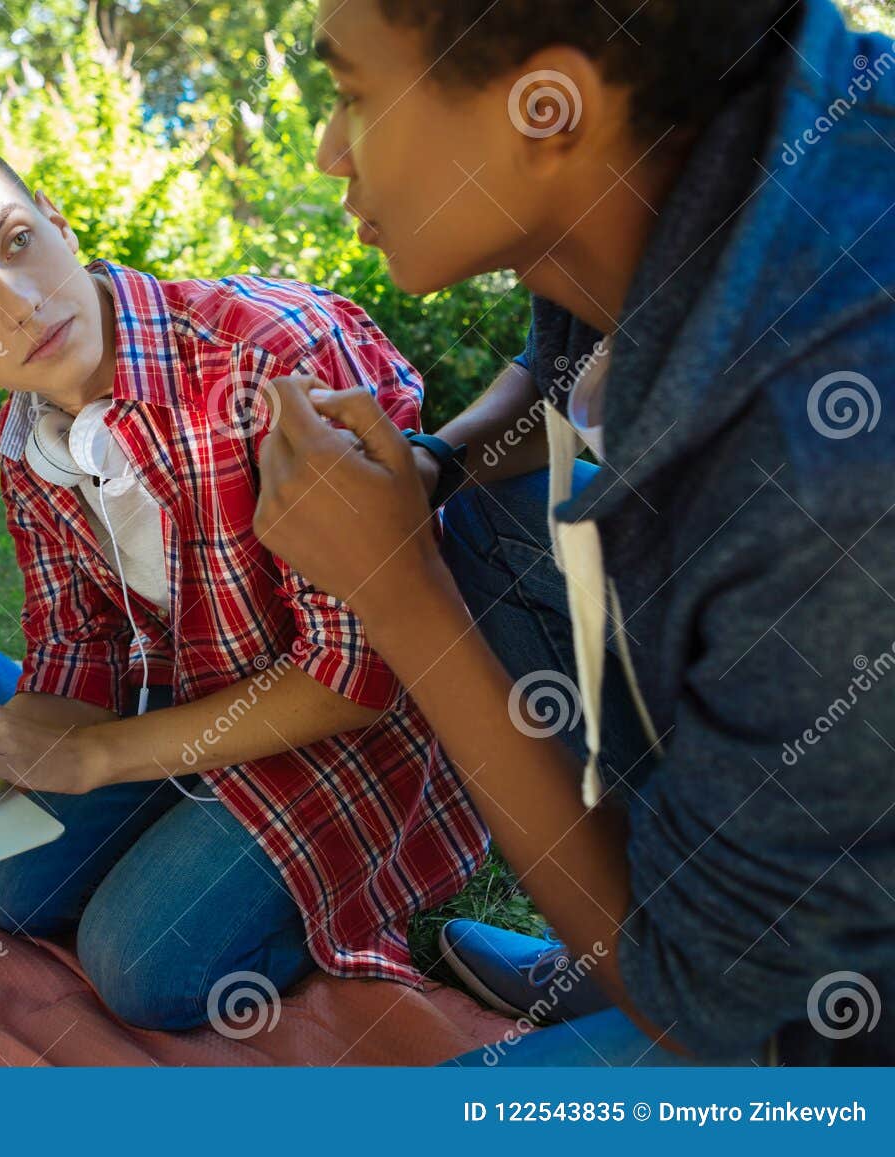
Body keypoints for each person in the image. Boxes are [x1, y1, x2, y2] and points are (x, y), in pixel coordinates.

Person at [253, 0, 895, 1063]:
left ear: (545, 108)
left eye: (352, 93)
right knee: (489, 519)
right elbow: (566, 347)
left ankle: (642, 940)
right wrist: (435, 464)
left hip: (825, 1033)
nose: (329, 153)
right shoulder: (712, 136)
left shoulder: (820, 464)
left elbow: (722, 1019)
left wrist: (397, 590)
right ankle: (631, 925)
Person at [0, 131, 489, 1030]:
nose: (18, 305)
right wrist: (16, 735)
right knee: (6, 884)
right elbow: (78, 642)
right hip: (203, 715)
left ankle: (357, 883)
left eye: (15, 241)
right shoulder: (27, 440)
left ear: (55, 220)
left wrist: (95, 755)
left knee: (142, 965)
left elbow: (359, 674)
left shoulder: (264, 360)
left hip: (366, 731)